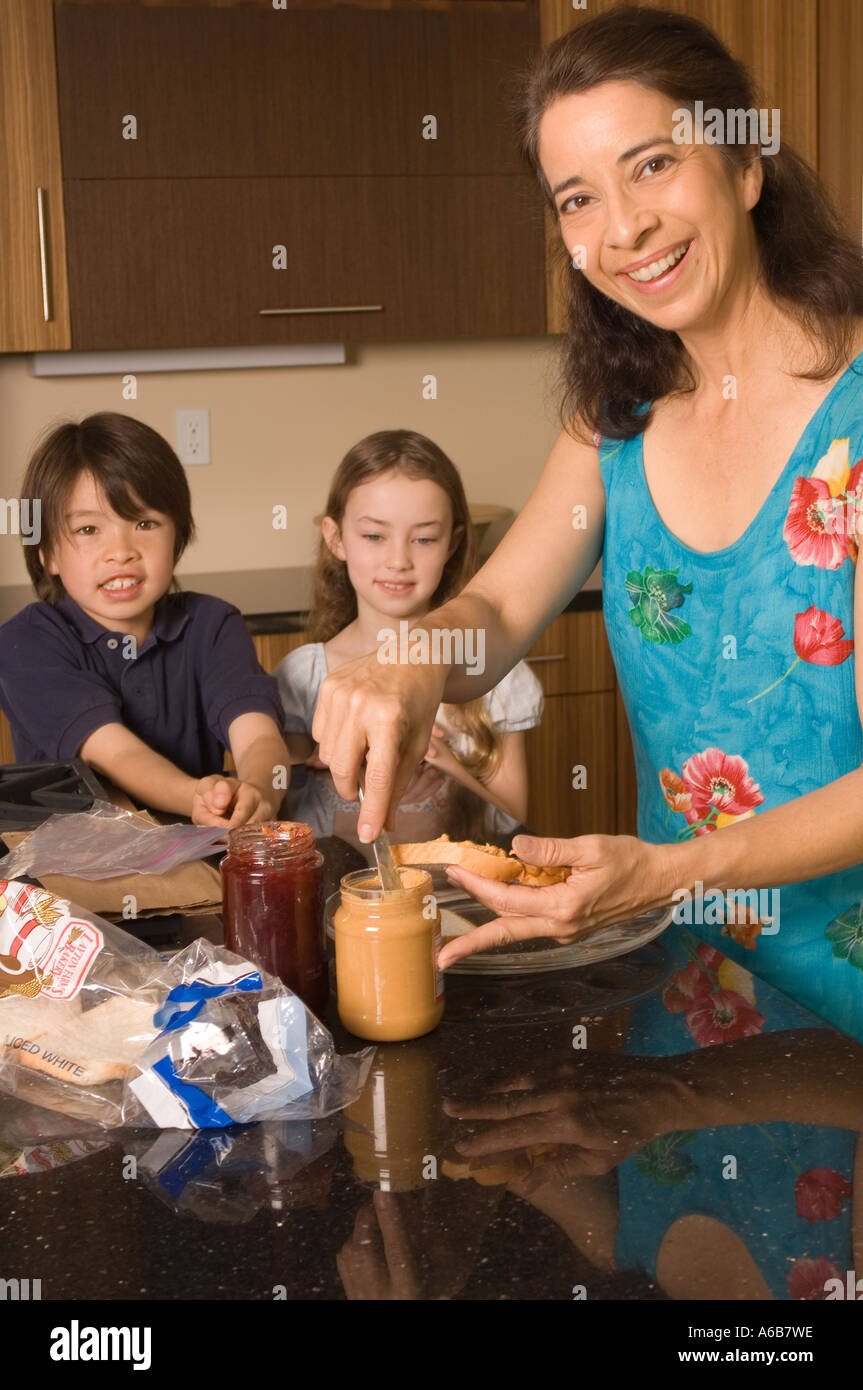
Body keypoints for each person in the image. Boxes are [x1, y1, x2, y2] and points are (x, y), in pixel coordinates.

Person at [308, 7, 863, 1042]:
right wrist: (415, 656)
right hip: (684, 986)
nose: (623, 227)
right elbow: (500, 609)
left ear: (745, 166)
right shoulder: (618, 413)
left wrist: (667, 869)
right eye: (577, 196)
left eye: (652, 164)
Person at [0, 412, 290, 826]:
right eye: (87, 530)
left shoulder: (213, 624)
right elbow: (117, 754)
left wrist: (259, 791)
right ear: (46, 553)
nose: (121, 551)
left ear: (179, 536)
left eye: (144, 523)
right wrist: (195, 796)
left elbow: (258, 734)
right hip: (73, 873)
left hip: (200, 859)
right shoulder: (24, 643)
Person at [274, 428, 543, 847]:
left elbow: (513, 821)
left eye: (423, 539)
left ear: (452, 543)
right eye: (374, 536)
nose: (398, 561)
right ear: (335, 538)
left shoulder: (496, 671)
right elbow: (283, 815)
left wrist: (439, 760)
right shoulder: (303, 676)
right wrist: (325, 764)